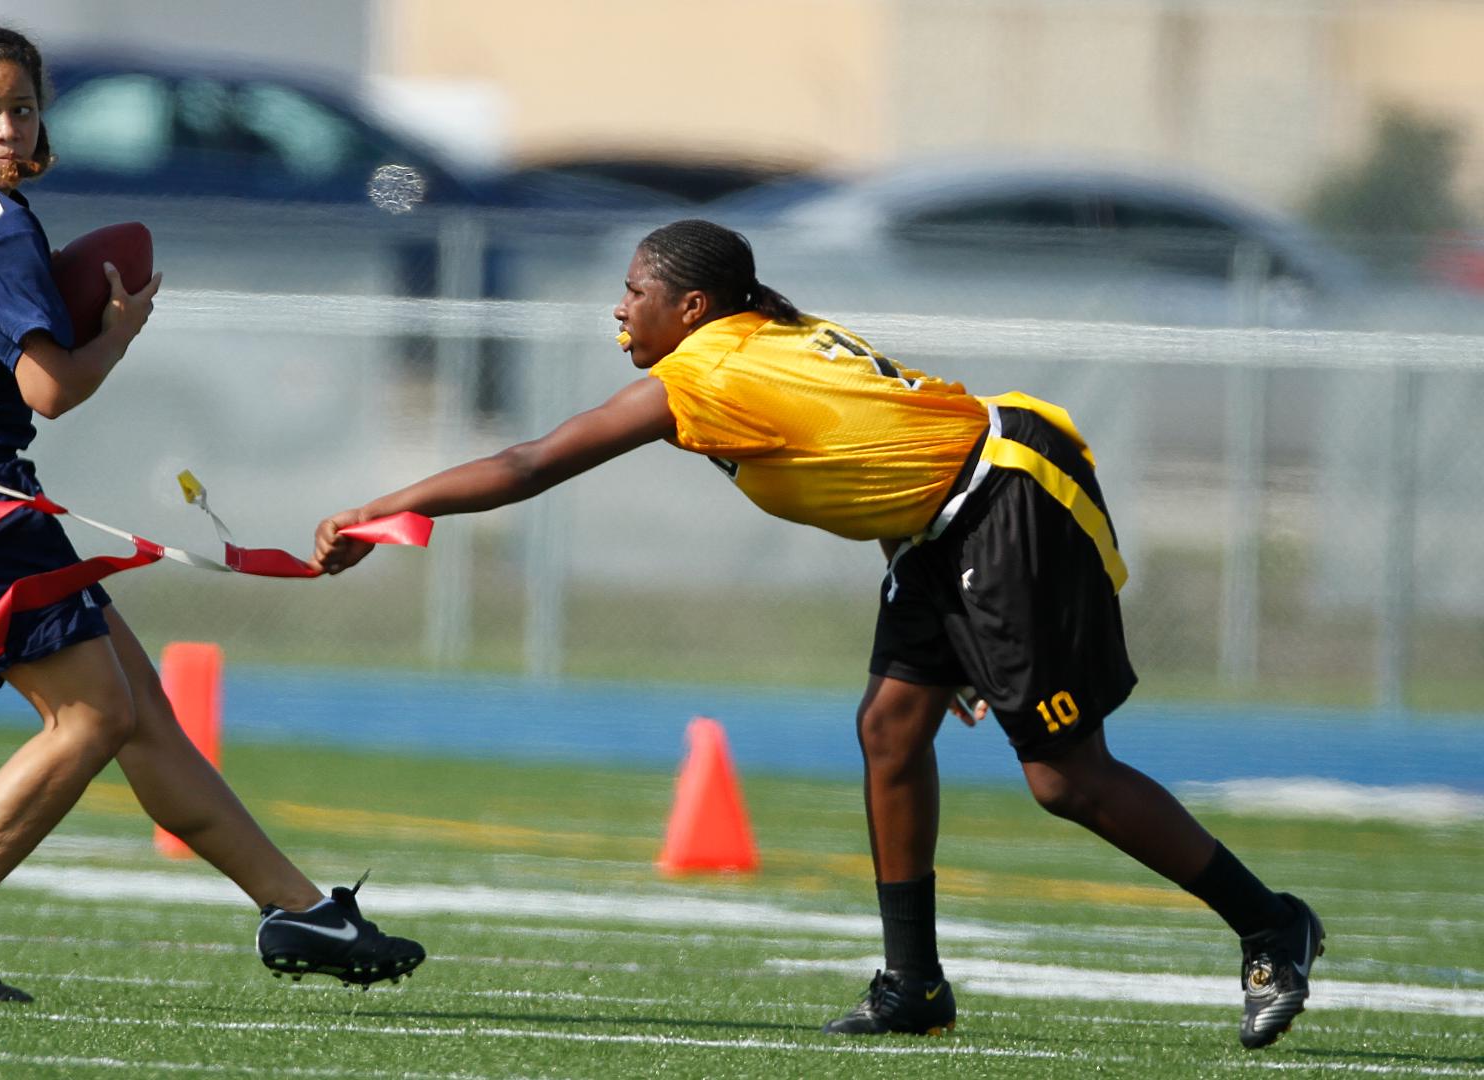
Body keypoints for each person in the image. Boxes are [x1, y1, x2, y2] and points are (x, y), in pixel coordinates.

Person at [312, 218, 1323, 1049]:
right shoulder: (758, 335)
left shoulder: (702, 372)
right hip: (940, 523)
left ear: (692, 307)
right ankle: (913, 986)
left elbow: (532, 463)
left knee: (1066, 778)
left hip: (1003, 499)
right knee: (890, 729)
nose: (619, 309)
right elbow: (871, 450)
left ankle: (1272, 923)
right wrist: (942, 610)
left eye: (635, 290)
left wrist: (380, 509)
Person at [0, 23, 422, 1002]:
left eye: (22, 109)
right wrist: (117, 330)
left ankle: (297, 910)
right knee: (90, 716)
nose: (7, 128)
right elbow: (50, 389)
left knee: (141, 715)